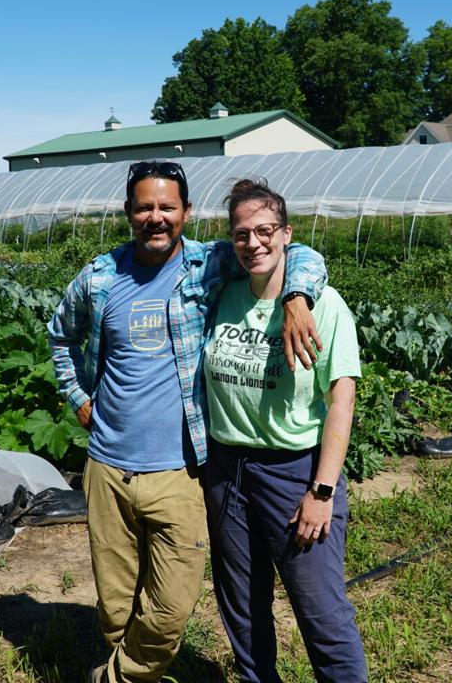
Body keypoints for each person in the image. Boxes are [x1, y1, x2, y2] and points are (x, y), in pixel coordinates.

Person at [48, 161, 328, 683]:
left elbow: (298, 251)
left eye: (167, 207)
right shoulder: (100, 276)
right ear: (129, 213)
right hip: (107, 469)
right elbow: (59, 334)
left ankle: (112, 678)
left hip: (179, 471)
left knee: (170, 610)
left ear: (186, 213)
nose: (156, 217)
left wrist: (296, 296)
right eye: (145, 207)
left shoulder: (210, 263)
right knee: (114, 608)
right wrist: (77, 398)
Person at [202, 178, 368, 683]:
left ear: (286, 233)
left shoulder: (324, 305)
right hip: (225, 470)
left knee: (320, 610)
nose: (254, 242)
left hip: (294, 471)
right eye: (242, 234)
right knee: (243, 606)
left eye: (265, 230)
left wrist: (321, 490)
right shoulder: (220, 295)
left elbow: (342, 398)